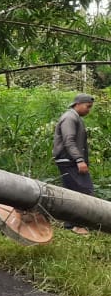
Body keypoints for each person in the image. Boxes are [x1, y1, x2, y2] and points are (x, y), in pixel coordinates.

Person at [53, 93, 95, 235]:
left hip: (70, 160)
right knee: (84, 191)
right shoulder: (70, 118)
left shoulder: (75, 117)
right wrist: (79, 160)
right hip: (69, 161)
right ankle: (77, 225)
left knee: (71, 193)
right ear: (78, 104)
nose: (89, 110)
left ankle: (70, 224)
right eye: (88, 106)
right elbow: (69, 140)